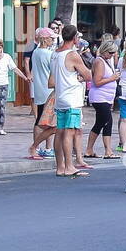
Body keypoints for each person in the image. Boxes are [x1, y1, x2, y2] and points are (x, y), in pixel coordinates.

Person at [50, 24, 93, 177]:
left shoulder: (55, 54)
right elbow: (88, 75)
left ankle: (60, 166)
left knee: (59, 132)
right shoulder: (73, 55)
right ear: (75, 38)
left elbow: (53, 79)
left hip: (60, 97)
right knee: (70, 132)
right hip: (72, 98)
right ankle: (69, 166)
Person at [27, 28, 58, 160]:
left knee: (40, 119)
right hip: (49, 90)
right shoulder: (48, 54)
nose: (53, 40)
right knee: (48, 122)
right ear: (45, 39)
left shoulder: (36, 52)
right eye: (51, 38)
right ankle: (46, 147)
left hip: (39, 89)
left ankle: (41, 147)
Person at [0, 39, 27, 135]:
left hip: (3, 84)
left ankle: (1, 127)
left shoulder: (7, 57)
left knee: (2, 106)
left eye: (0, 48)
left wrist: (24, 77)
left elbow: (14, 69)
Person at [85, 41, 119, 157]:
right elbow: (97, 81)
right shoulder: (99, 62)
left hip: (106, 97)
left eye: (114, 53)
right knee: (107, 121)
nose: (112, 55)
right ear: (104, 51)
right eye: (110, 52)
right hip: (100, 97)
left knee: (99, 123)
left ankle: (89, 150)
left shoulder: (106, 61)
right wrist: (112, 78)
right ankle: (108, 151)